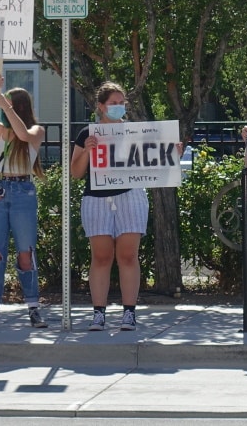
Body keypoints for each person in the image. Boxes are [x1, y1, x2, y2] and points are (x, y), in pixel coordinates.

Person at [70, 81, 150, 332]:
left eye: (121, 103)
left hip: (129, 197)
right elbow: (76, 172)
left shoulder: (135, 132)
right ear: (101, 106)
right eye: (113, 103)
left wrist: (173, 153)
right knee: (101, 257)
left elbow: (152, 162)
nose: (118, 107)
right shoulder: (87, 134)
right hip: (97, 199)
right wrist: (87, 152)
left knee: (127, 256)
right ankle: (98, 314)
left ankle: (129, 314)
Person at [0, 73, 46, 329]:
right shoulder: (1, 131)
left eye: (10, 105)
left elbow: (25, 136)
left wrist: (7, 108)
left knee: (25, 251)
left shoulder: (35, 130)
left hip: (22, 190)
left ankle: (33, 307)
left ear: (20, 107)